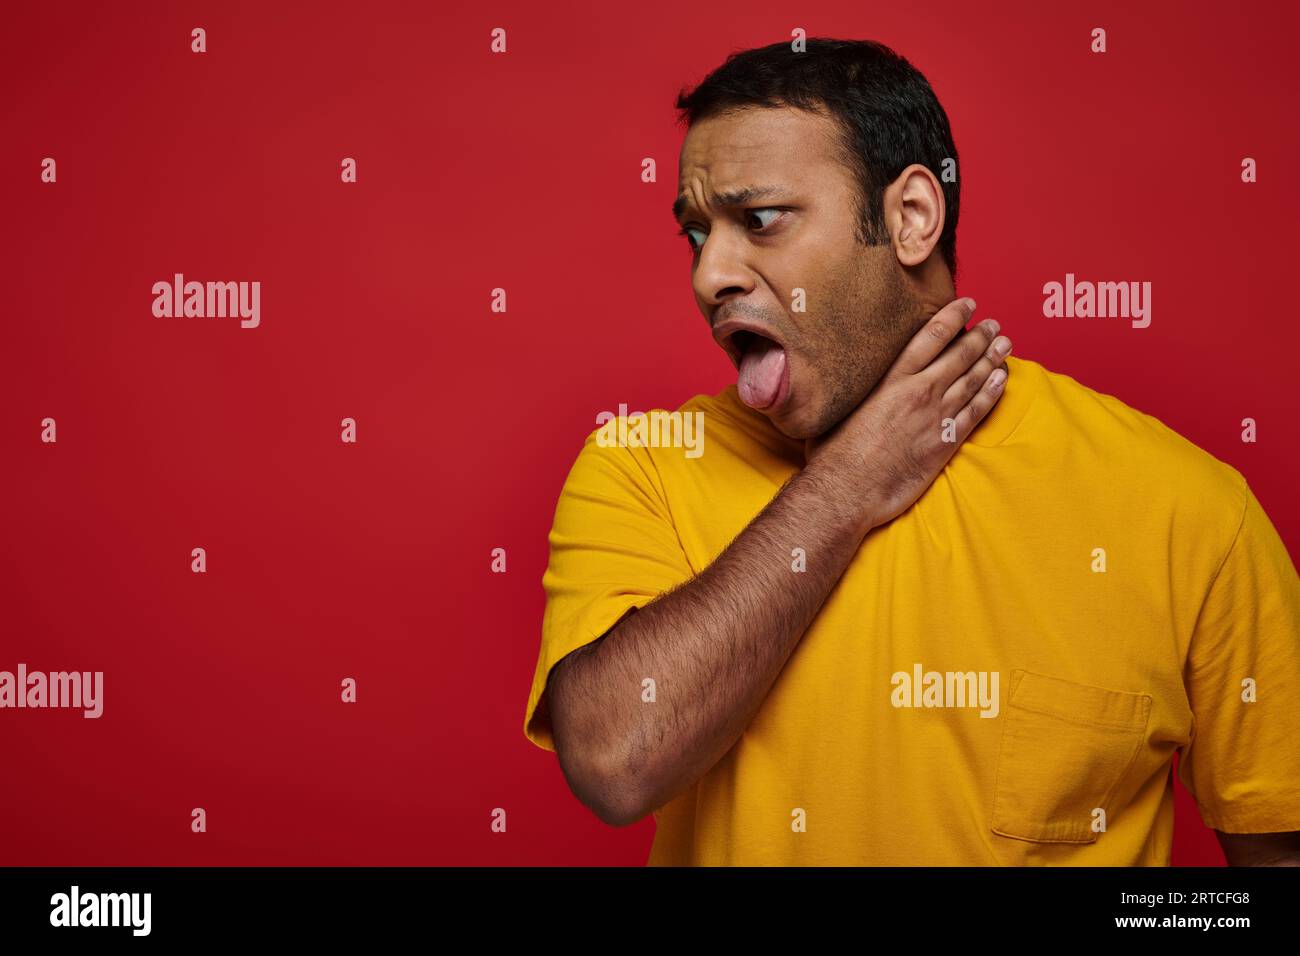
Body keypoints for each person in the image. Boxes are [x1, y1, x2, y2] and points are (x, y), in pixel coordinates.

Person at [522, 38, 1300, 865]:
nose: (711, 274)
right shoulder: (642, 466)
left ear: (911, 218)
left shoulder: (1183, 509)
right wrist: (848, 484)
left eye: (759, 221)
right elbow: (614, 763)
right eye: (696, 234)